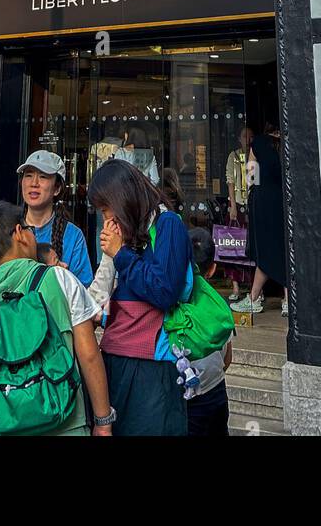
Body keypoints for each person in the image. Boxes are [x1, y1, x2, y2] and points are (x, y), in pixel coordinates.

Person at [0, 201, 113, 437]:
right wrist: (103, 421)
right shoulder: (60, 279)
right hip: (66, 422)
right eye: (28, 228)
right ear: (19, 233)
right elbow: (89, 355)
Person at [89, 157, 193, 437]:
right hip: (113, 357)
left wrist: (120, 254)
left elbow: (164, 292)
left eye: (106, 207)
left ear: (123, 198)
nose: (105, 218)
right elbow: (100, 290)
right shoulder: (125, 235)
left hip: (151, 366)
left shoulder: (168, 225)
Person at [0, 150, 93, 332]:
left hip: (51, 334)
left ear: (57, 188)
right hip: (4, 333)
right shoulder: (4, 225)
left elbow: (82, 293)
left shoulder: (73, 236)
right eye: (28, 176)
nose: (34, 184)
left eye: (43, 177)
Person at [185, 228, 233, 437]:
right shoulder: (218, 305)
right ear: (212, 269)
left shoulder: (173, 298)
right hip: (215, 390)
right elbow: (228, 357)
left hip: (185, 395)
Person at [237, 121, 286, 315]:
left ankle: (253, 298)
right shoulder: (286, 143)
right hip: (284, 200)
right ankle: (288, 301)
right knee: (285, 247)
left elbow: (251, 176)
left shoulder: (258, 144)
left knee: (265, 248)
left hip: (263, 202)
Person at [225, 124, 254, 304]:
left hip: (250, 205)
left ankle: (254, 289)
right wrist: (233, 205)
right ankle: (235, 286)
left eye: (250, 137)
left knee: (250, 248)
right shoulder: (233, 156)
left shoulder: (253, 157)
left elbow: (254, 181)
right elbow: (230, 180)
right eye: (244, 137)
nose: (247, 140)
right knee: (232, 247)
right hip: (237, 205)